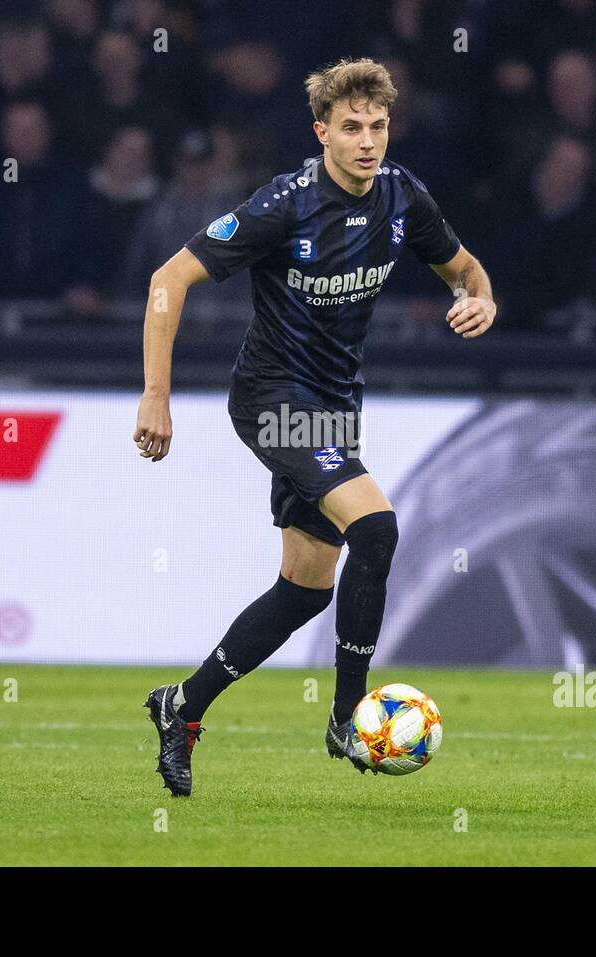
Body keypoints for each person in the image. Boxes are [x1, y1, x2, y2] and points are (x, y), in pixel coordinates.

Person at [133, 58, 496, 796]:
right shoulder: (284, 206)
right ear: (321, 131)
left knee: (305, 588)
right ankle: (347, 718)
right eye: (352, 128)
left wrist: (479, 299)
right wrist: (155, 395)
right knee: (379, 527)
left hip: (333, 407)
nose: (368, 142)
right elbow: (167, 281)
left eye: (379, 126)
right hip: (271, 397)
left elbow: (467, 271)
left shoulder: (402, 197)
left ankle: (182, 705)